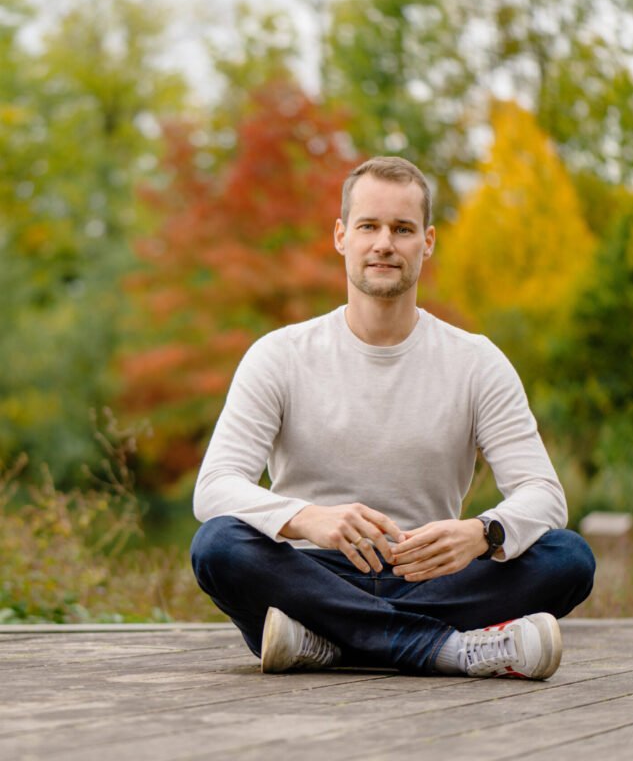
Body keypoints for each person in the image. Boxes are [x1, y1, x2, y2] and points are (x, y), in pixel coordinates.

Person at [191, 156, 595, 679]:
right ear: (342, 236)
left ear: (427, 242)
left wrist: (482, 534)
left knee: (568, 557)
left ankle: (327, 644)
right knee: (219, 544)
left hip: (433, 576)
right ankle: (447, 650)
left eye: (402, 229)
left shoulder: (477, 361)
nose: (384, 242)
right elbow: (215, 487)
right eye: (368, 226)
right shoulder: (280, 354)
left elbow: (545, 494)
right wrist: (310, 519)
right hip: (310, 574)